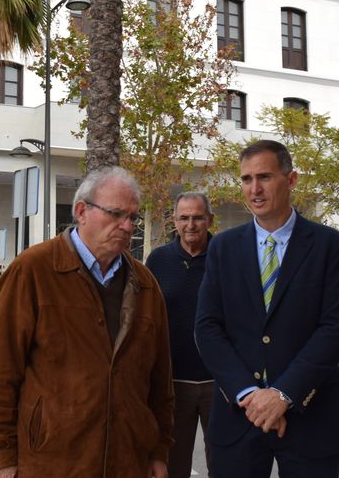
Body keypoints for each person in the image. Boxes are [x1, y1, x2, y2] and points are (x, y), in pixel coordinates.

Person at [0, 166, 175, 478]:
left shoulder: (146, 284)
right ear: (82, 211)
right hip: (51, 463)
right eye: (116, 213)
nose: (126, 226)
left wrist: (159, 450)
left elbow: (160, 382)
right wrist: (2, 458)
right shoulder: (33, 270)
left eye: (132, 217)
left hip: (128, 461)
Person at [195, 140, 339, 477]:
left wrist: (283, 394)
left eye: (264, 177)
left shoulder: (330, 246)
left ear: (291, 179)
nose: (254, 189)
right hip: (239, 416)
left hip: (311, 416)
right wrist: (251, 395)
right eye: (246, 179)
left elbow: (334, 328)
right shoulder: (222, 247)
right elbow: (208, 327)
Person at [145, 192, 216, 478]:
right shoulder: (158, 261)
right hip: (174, 386)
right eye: (184, 218)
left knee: (227, 465)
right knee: (173, 467)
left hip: (219, 384)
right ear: (174, 221)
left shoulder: (226, 255)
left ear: (209, 219)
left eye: (198, 217)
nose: (191, 224)